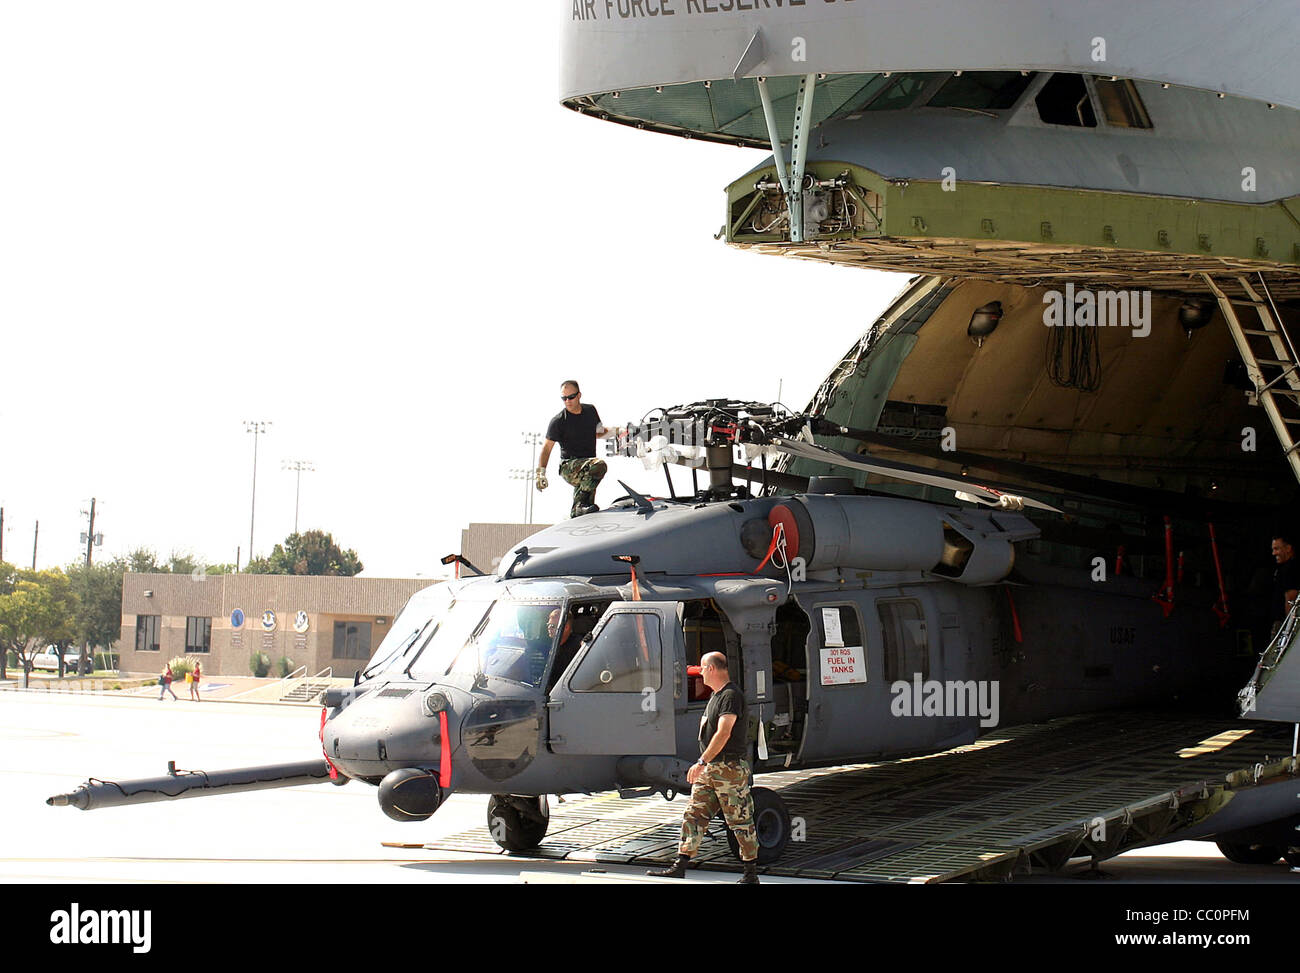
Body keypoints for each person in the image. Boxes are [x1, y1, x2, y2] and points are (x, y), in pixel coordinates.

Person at [648, 651, 760, 884]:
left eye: (701, 668)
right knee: (694, 814)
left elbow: (724, 732)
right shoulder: (716, 696)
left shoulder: (730, 696)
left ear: (711, 669)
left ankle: (751, 874)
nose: (699, 672)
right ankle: (681, 864)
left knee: (739, 819)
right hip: (712, 768)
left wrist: (701, 762)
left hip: (728, 768)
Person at [536, 380, 621, 518]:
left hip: (587, 467)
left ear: (579, 395)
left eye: (571, 397)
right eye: (564, 398)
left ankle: (578, 515)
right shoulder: (558, 421)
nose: (567, 401)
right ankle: (578, 508)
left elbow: (599, 432)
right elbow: (547, 448)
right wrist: (540, 473)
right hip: (568, 466)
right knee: (599, 465)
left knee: (588, 508)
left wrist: (618, 431)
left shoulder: (590, 411)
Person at [1271, 533, 1300, 632]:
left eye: (1277, 549)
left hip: (1285, 625)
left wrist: (1289, 629)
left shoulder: (1290, 569)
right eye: (1273, 549)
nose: (1273, 553)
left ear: (1288, 548)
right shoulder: (1284, 569)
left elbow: (1291, 599)